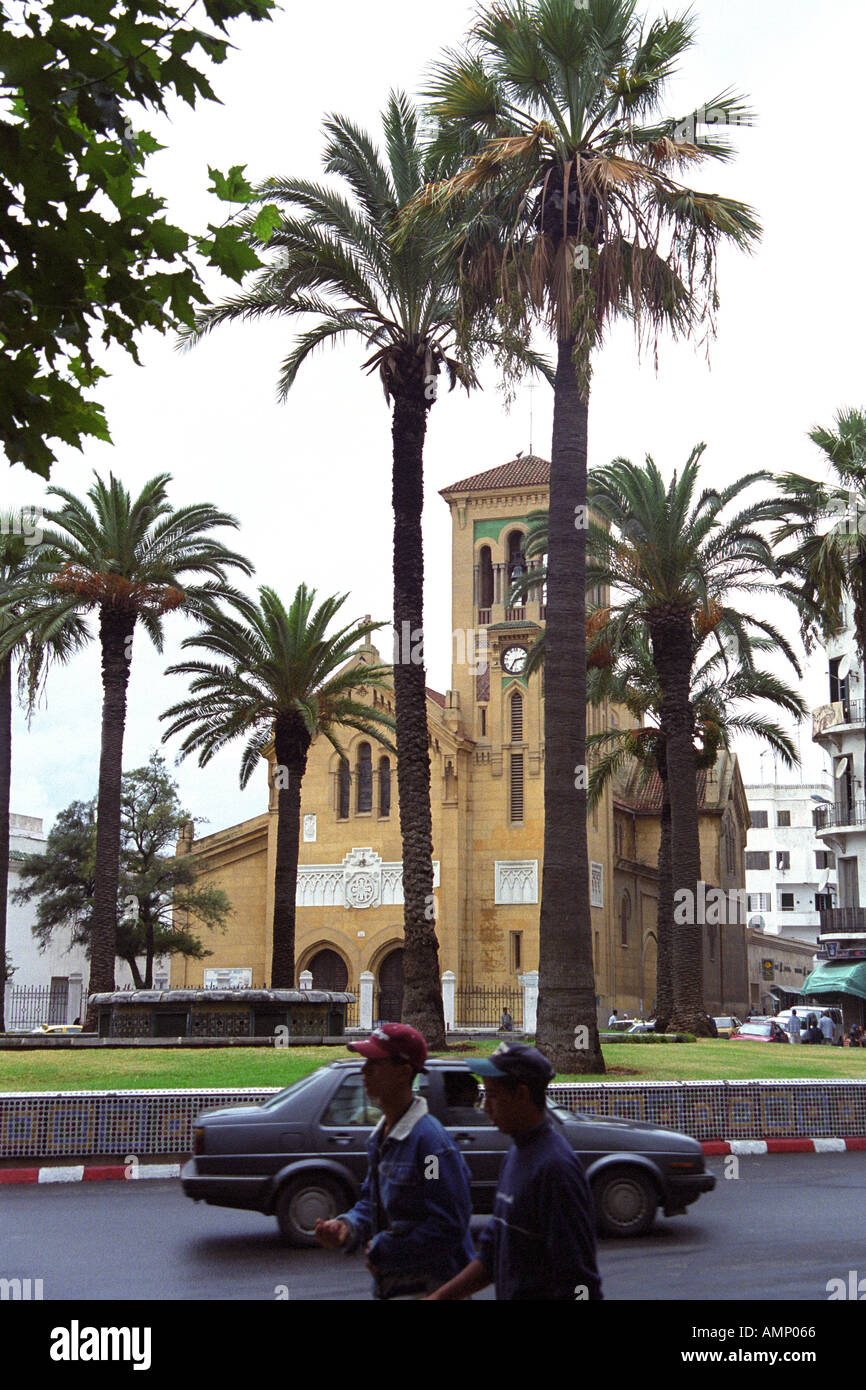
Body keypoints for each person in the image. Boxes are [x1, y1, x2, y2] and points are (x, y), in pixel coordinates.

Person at [427, 1042, 603, 1302]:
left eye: (492, 1095)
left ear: (521, 1094)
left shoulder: (556, 1170)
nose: (484, 1107)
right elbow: (492, 1254)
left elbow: (579, 1280)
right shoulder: (515, 1155)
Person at [314, 1023, 474, 1299]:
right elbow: (372, 1202)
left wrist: (385, 1248)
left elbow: (448, 1225)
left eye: (375, 1063)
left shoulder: (431, 1148)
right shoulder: (383, 1138)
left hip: (432, 1289)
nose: (364, 1071)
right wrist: (346, 1227)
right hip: (395, 1286)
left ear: (403, 1073)